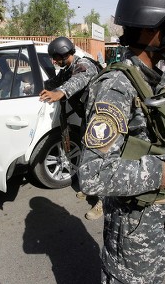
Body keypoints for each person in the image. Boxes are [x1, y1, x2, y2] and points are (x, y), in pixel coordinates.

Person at [77, 0, 165, 283]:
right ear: (152, 27)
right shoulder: (116, 88)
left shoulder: (150, 80)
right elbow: (93, 174)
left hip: (155, 223)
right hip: (133, 231)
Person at [39, 36, 103, 220]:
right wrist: (41, 88)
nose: (54, 61)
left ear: (63, 53)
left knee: (101, 157)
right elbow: (55, 81)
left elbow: (79, 80)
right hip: (88, 116)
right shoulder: (67, 68)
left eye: (55, 57)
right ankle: (91, 188)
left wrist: (60, 93)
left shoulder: (83, 65)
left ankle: (104, 201)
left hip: (100, 118)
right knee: (87, 153)